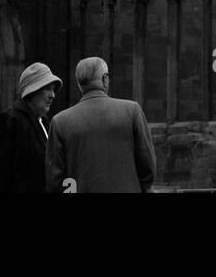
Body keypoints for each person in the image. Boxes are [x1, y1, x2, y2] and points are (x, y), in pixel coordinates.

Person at [45, 56, 156, 194]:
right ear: (105, 79)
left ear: (79, 84)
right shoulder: (131, 111)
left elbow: (56, 178)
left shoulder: (60, 122)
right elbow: (147, 163)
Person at [0, 61, 62, 193]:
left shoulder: (44, 122)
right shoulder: (10, 120)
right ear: (33, 90)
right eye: (47, 88)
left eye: (53, 89)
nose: (52, 95)